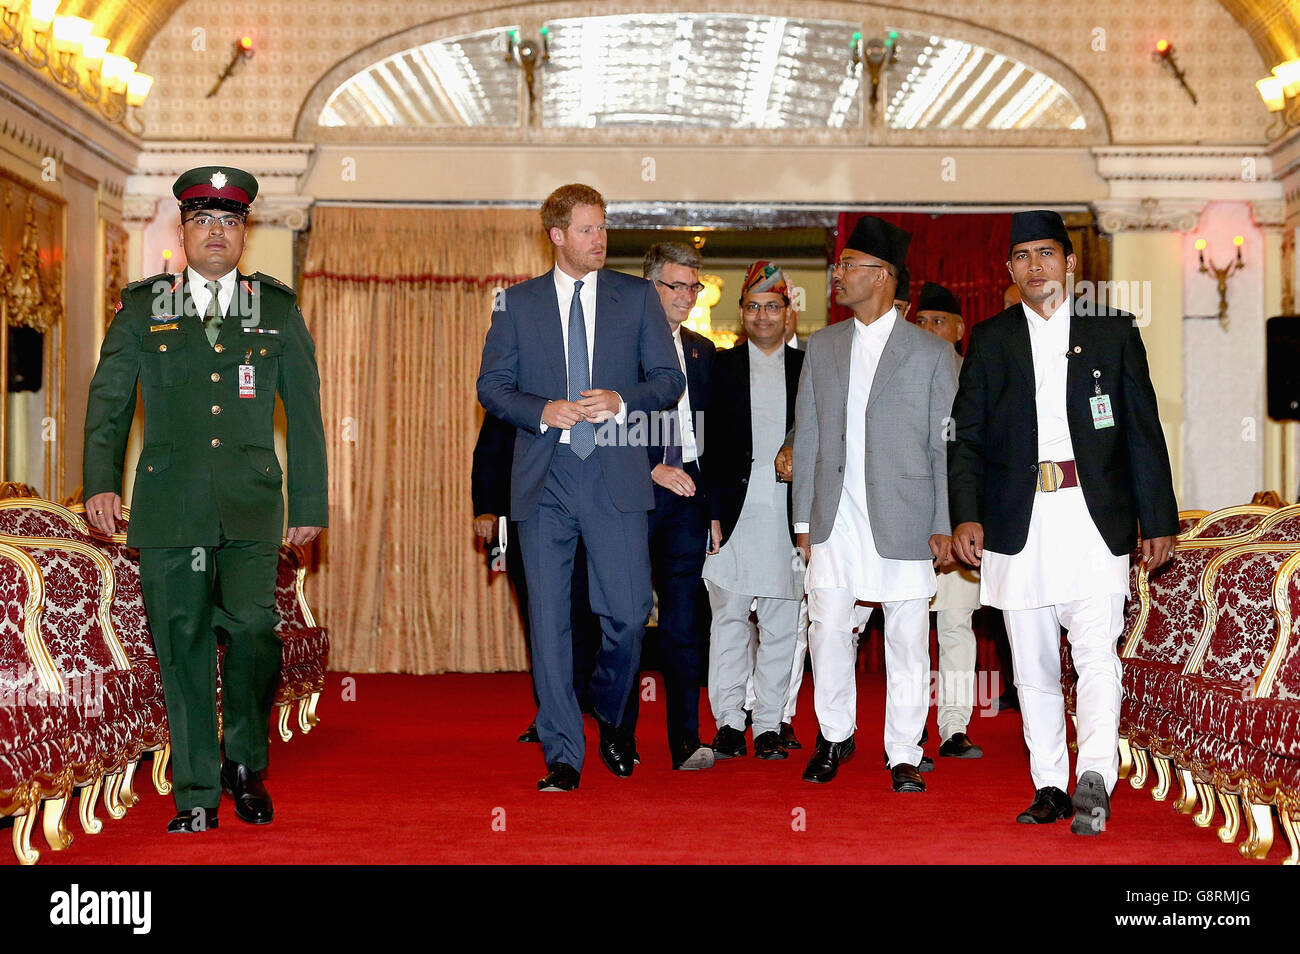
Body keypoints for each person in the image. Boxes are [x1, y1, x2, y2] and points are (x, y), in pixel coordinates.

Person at [83, 165, 328, 833]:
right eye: (203, 220)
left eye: (229, 220)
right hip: (169, 505)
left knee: (253, 630)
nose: (216, 232)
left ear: (244, 232)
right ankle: (196, 791)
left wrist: (311, 500)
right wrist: (101, 479)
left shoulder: (275, 309)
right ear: (183, 230)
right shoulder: (143, 307)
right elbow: (107, 403)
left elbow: (303, 414)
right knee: (182, 642)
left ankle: (244, 762)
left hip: (251, 505)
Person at [948, 209, 1178, 833]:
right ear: (1010, 270)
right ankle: (1049, 783)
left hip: (1092, 515)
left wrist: (1158, 518)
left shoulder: (1112, 332)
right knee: (1033, 664)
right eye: (1022, 257)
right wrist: (966, 516)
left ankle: (1094, 776)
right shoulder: (990, 339)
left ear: (1070, 264)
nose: (1034, 266)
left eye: (1046, 253)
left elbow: (1143, 430)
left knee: (1097, 652)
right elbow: (964, 438)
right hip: (1016, 520)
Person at [477, 183, 684, 792]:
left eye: (603, 227)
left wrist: (623, 400)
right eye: (588, 229)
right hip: (545, 480)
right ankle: (563, 754)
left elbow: (668, 380)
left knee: (625, 614)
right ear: (558, 235)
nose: (601, 239)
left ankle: (609, 707)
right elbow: (493, 387)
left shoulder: (637, 297)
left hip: (617, 472)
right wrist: (543, 410)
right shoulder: (515, 304)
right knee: (549, 623)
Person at [792, 216, 957, 792]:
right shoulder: (825, 345)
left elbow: (946, 445)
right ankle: (835, 735)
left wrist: (944, 521)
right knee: (828, 628)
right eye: (839, 265)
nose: (839, 275)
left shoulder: (931, 353)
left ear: (883, 276)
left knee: (908, 639)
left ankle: (904, 752)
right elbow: (807, 432)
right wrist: (803, 520)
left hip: (906, 517)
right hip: (836, 517)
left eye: (849, 266)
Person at [704, 261, 804, 761]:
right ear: (741, 312)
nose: (762, 316)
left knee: (783, 626)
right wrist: (709, 512)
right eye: (753, 306)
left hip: (789, 518)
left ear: (789, 313)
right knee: (729, 622)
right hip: (731, 517)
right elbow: (701, 448)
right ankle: (727, 721)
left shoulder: (808, 369)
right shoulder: (717, 368)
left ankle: (768, 724)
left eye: (773, 306)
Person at [621, 242, 716, 771]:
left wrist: (715, 507)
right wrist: (649, 468)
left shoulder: (702, 351)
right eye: (675, 285)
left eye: (693, 287)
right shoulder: (621, 348)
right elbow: (601, 426)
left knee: (684, 624)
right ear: (648, 286)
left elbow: (715, 438)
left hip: (689, 499)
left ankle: (686, 740)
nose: (687, 296)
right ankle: (622, 738)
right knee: (628, 621)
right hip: (632, 498)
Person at [471, 411, 600, 741]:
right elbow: (489, 453)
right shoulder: (512, 393)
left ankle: (590, 701)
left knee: (588, 612)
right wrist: (486, 509)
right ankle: (551, 712)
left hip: (591, 518)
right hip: (522, 517)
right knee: (541, 619)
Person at [912, 281, 983, 758]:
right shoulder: (900, 374)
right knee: (908, 628)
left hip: (959, 524)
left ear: (959, 330)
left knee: (956, 623)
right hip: (908, 523)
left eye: (939, 321)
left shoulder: (977, 376)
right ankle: (908, 728)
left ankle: (954, 727)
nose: (929, 329)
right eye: (921, 321)